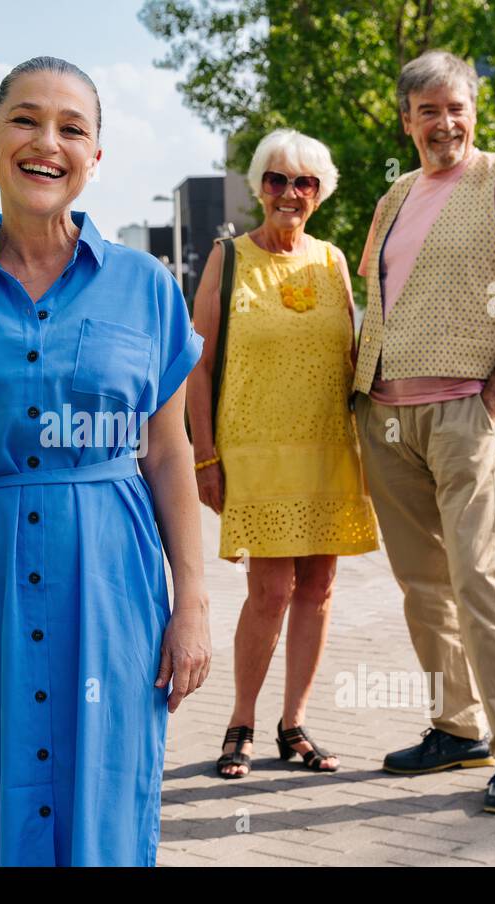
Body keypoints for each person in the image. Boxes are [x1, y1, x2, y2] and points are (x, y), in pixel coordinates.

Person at [0, 56, 211, 866]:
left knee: (107, 777)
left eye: (73, 128)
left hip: (109, 582)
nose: (46, 142)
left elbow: (168, 452)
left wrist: (193, 598)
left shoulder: (146, 287)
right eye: (25, 120)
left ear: (95, 157)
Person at [353, 50, 495, 813]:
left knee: (479, 574)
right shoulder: (394, 197)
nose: (446, 123)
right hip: (387, 413)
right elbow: (377, 303)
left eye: (457, 108)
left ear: (474, 112)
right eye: (429, 111)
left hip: (464, 408)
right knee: (422, 585)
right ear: (407, 120)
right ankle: (456, 725)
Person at [188, 130, 379, 780]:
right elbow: (199, 364)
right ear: (257, 186)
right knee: (269, 589)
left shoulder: (331, 262)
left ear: (319, 194)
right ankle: (239, 719)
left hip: (327, 450)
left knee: (319, 588)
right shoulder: (229, 257)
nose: (289, 194)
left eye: (304, 183)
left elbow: (360, 360)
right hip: (257, 455)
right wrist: (204, 456)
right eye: (276, 179)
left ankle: (291, 722)